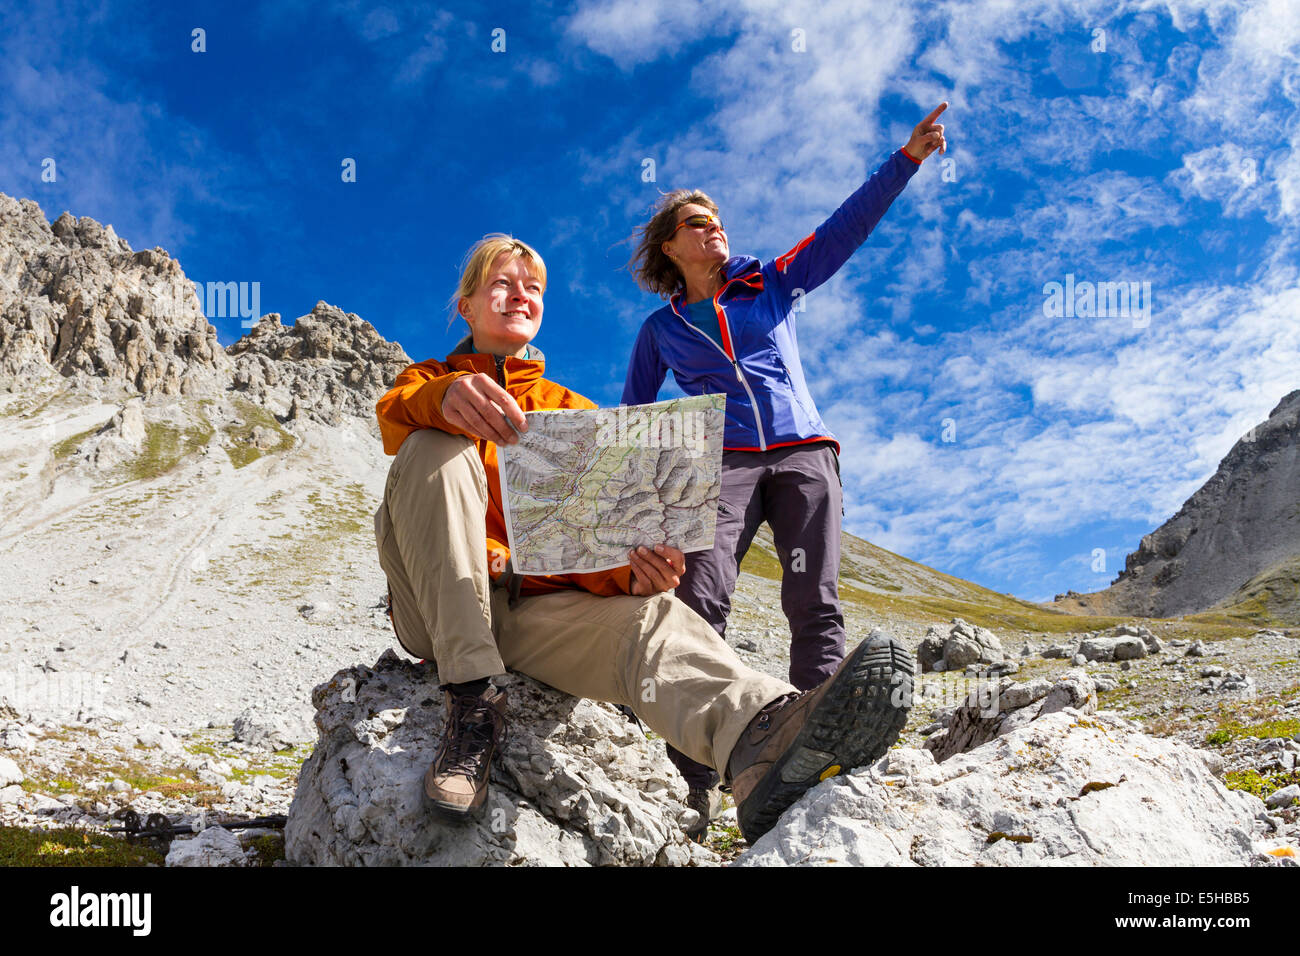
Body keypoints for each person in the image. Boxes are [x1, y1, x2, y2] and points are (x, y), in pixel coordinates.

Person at [372, 234, 914, 844]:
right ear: (467, 305)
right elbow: (393, 413)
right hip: (437, 609)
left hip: (529, 617)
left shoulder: (571, 412)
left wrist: (629, 573)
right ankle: (471, 705)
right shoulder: (426, 381)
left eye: (533, 287)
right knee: (433, 444)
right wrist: (444, 397)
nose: (519, 295)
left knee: (650, 616)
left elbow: (583, 541)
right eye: (501, 283)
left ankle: (761, 736)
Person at [622, 104, 947, 827]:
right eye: (699, 224)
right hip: (724, 466)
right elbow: (634, 418)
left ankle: (823, 753)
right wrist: (634, 516)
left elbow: (840, 233)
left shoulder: (769, 282)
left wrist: (905, 161)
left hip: (802, 452)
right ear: (671, 247)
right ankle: (695, 775)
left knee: (814, 604)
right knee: (698, 601)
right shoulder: (661, 330)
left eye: (718, 221)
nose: (717, 230)